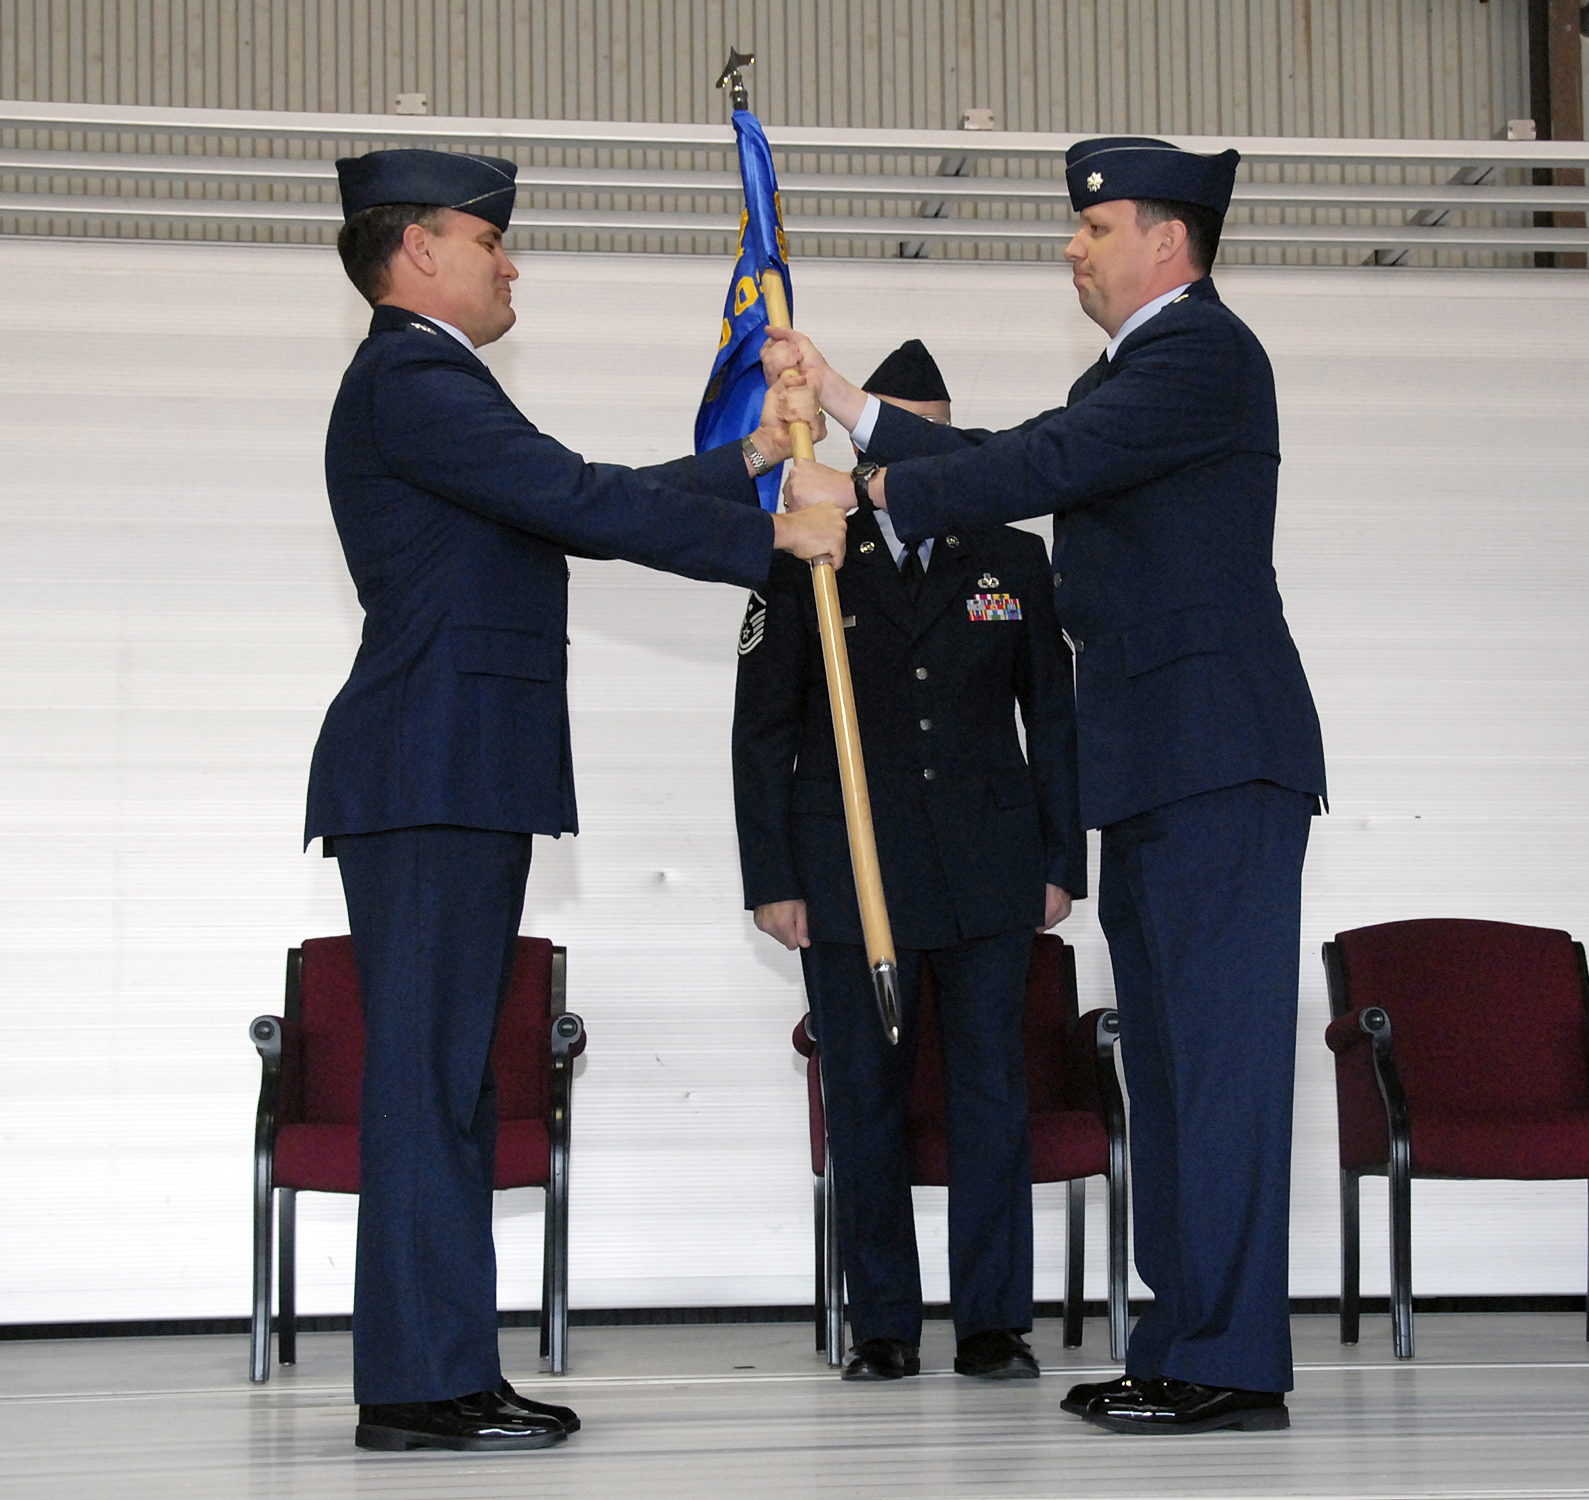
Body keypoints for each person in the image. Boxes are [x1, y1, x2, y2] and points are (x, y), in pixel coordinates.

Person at [766, 137, 1327, 1435]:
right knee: (1176, 1071)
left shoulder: (1201, 354)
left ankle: (1233, 1362)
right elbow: (1033, 448)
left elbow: (1037, 466)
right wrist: (848, 398)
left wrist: (861, 487)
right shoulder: (1126, 374)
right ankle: (1185, 1340)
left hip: (1216, 756)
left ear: (1168, 242)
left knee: (1221, 1068)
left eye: (1097, 227)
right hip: (1157, 765)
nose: (1074, 247)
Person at [307, 147, 845, 1454]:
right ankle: (420, 1389)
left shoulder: (428, 385)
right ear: (421, 247)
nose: (511, 262)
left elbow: (578, 494)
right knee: (430, 1085)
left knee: (445, 1083)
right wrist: (770, 535)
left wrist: (757, 457)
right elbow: (575, 500)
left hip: (451, 771)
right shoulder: (417, 377)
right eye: (490, 239)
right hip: (430, 771)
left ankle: (442, 1372)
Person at [733, 339, 1086, 1384]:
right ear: (854, 431)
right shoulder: (808, 548)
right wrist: (772, 879)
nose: (919, 449)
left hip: (986, 867)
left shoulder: (1010, 558)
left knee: (990, 1094)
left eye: (933, 429)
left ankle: (991, 1323)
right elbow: (762, 726)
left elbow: (1053, 722)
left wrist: (1060, 860)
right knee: (863, 1097)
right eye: (896, 426)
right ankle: (881, 1322)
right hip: (847, 870)